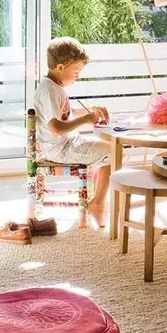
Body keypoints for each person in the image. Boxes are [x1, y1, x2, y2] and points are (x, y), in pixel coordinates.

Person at [34, 37, 111, 228]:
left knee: (113, 151)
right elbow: (56, 128)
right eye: (76, 71)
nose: (78, 76)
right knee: (114, 153)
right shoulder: (49, 91)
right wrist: (86, 119)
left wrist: (90, 110)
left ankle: (96, 197)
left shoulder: (54, 87)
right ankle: (97, 203)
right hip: (60, 148)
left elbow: (65, 113)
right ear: (60, 67)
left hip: (65, 144)